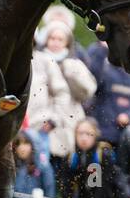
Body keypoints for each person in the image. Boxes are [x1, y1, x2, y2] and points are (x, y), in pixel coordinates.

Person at [27, 21, 97, 188]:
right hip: (40, 126)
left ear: (67, 42)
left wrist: (70, 71)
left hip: (67, 126)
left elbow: (88, 90)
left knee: (66, 177)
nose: (55, 42)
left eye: (60, 39)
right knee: (41, 176)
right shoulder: (36, 60)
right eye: (52, 38)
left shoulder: (74, 63)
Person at [83, 36, 130, 147]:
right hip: (103, 131)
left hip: (125, 136)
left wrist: (129, 115)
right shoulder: (105, 70)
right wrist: (102, 50)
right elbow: (93, 82)